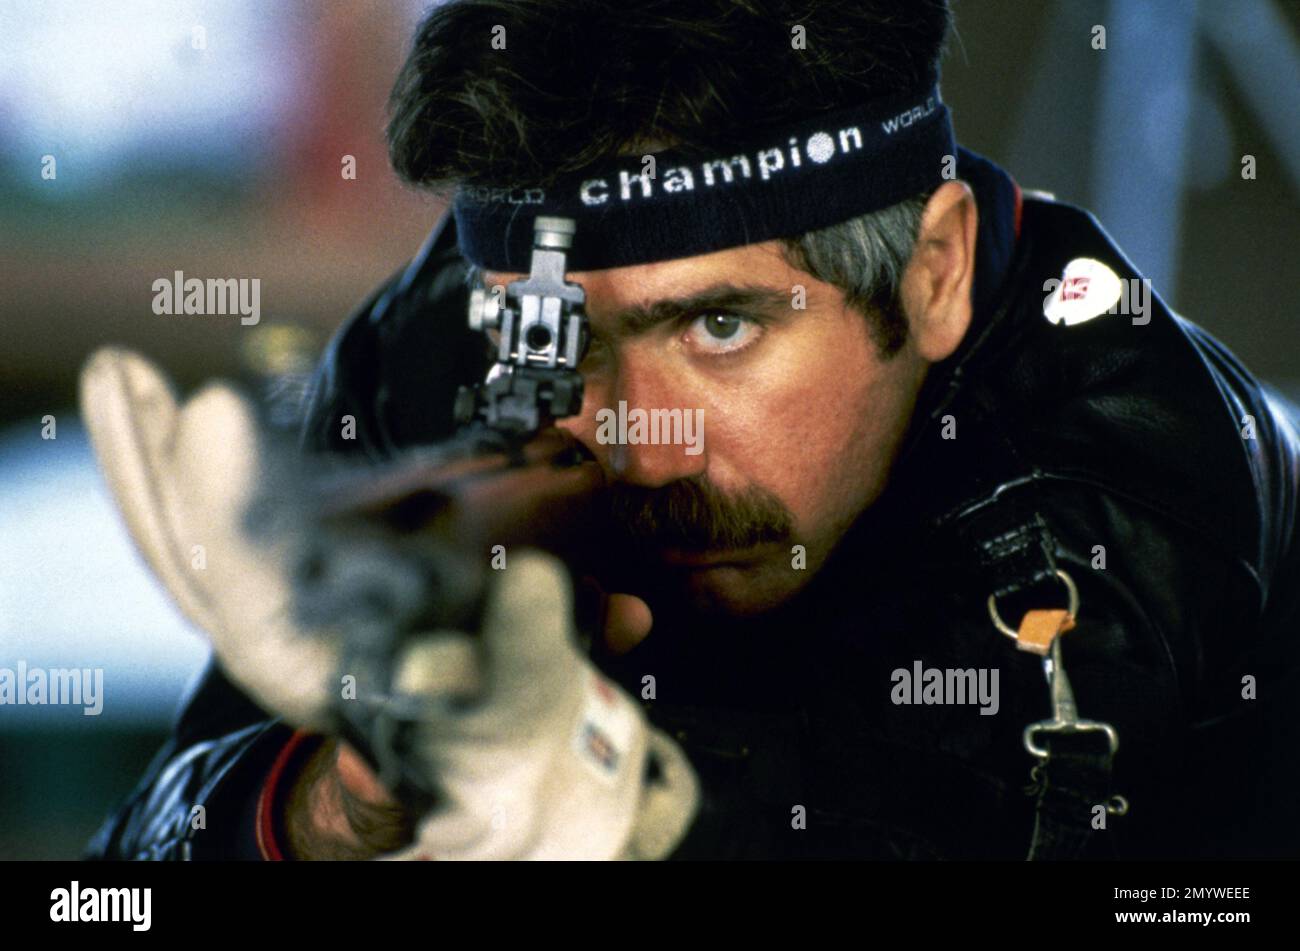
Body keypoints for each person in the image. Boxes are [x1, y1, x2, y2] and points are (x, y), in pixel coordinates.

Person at [85, 0, 1299, 861]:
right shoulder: (442, 340)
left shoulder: (1117, 444)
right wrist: (334, 807)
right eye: (554, 346)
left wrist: (619, 804)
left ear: (933, 272)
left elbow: (988, 817)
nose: (634, 443)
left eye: (718, 329)